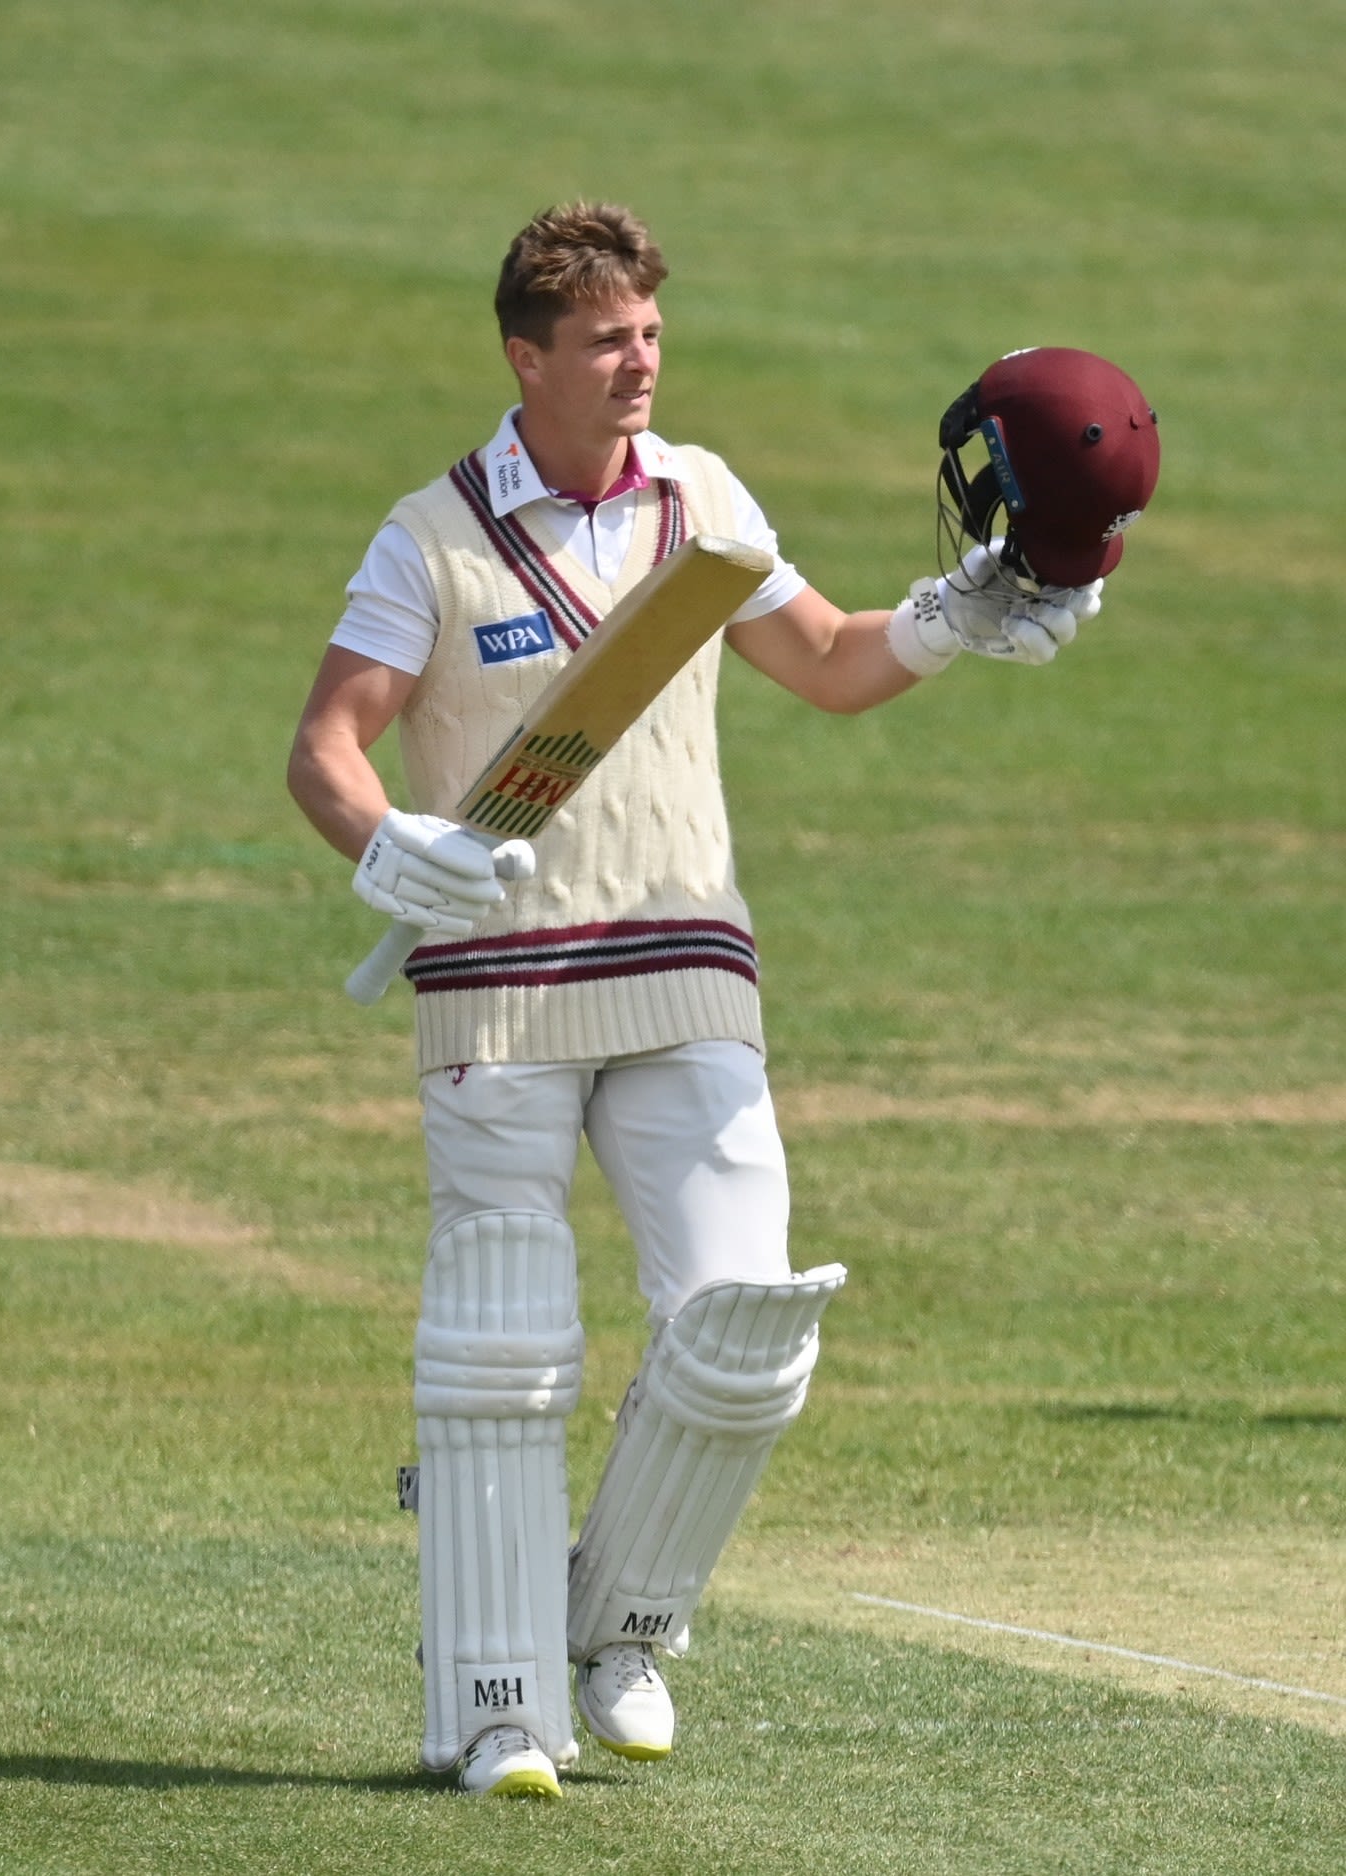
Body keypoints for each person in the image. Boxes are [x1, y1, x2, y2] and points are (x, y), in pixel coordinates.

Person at [287, 201, 1140, 1799]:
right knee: (506, 1345)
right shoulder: (434, 538)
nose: (638, 365)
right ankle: (491, 1704)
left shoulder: (705, 497)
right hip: (496, 987)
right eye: (607, 340)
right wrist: (384, 843)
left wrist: (958, 617)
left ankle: (615, 1626)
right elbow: (327, 742)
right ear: (524, 354)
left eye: (652, 335)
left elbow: (825, 659)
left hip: (685, 955)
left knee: (744, 1333)